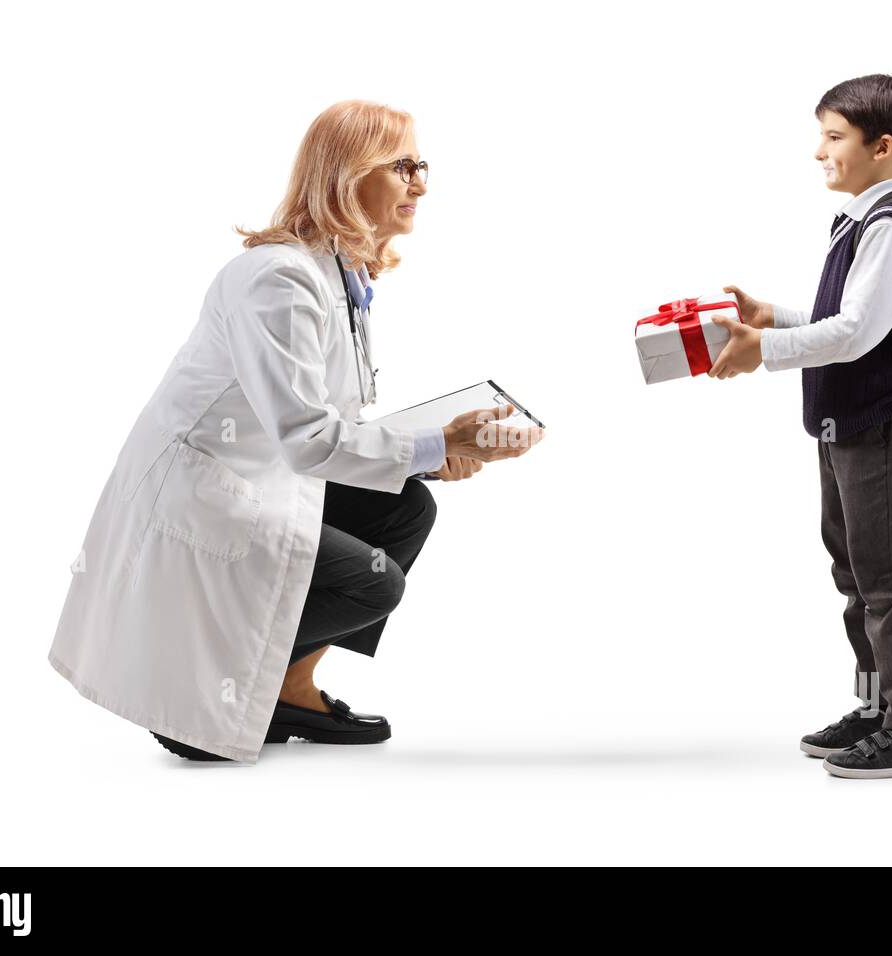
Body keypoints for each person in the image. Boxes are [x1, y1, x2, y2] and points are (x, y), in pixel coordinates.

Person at [48, 99, 543, 763]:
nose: (421, 181)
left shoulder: (338, 273)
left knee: (407, 509)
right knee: (375, 582)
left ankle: (287, 685)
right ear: (346, 174)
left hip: (265, 475)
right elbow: (308, 438)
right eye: (403, 166)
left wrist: (432, 456)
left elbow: (329, 420)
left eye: (421, 166)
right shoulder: (277, 279)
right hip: (204, 495)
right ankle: (200, 695)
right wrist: (438, 441)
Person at [706, 74, 892, 779]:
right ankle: (881, 707)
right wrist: (771, 318)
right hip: (848, 423)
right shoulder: (864, 219)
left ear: (882, 147)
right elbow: (845, 321)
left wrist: (766, 353)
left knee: (888, 577)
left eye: (833, 137)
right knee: (856, 573)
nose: (819, 151)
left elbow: (858, 333)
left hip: (879, 425)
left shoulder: (891, 225)